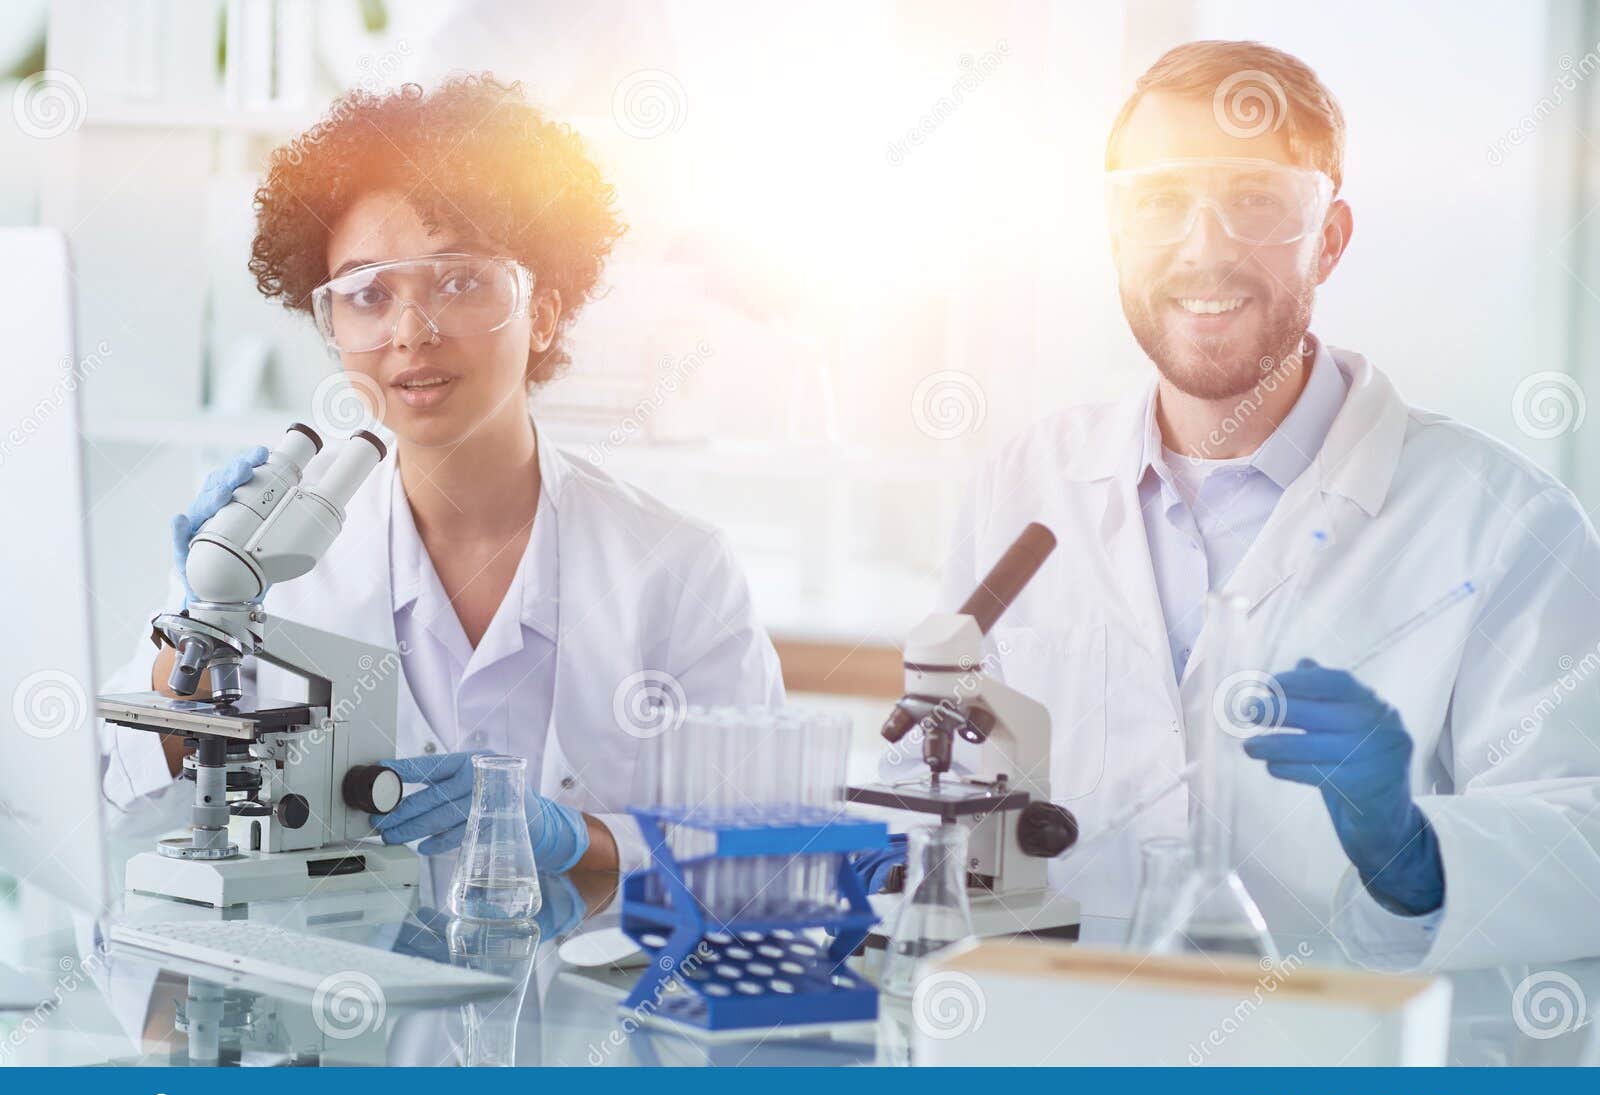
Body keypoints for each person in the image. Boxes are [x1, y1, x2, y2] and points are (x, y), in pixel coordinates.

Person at [936, 40, 1600, 969]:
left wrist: (1411, 850)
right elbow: (957, 778)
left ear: (1328, 238)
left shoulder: (1506, 521)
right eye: (1161, 204)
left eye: (1254, 203)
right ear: (1118, 234)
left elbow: (1584, 848)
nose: (1202, 249)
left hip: (1336, 1087)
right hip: (1060, 1053)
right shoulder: (1022, 484)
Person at [101, 74, 783, 905]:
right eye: (367, 294)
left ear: (546, 311)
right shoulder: (269, 562)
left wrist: (581, 840)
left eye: (458, 281)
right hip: (340, 1016)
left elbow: (766, 843)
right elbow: (116, 812)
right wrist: (196, 624)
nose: (410, 332)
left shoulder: (677, 568)